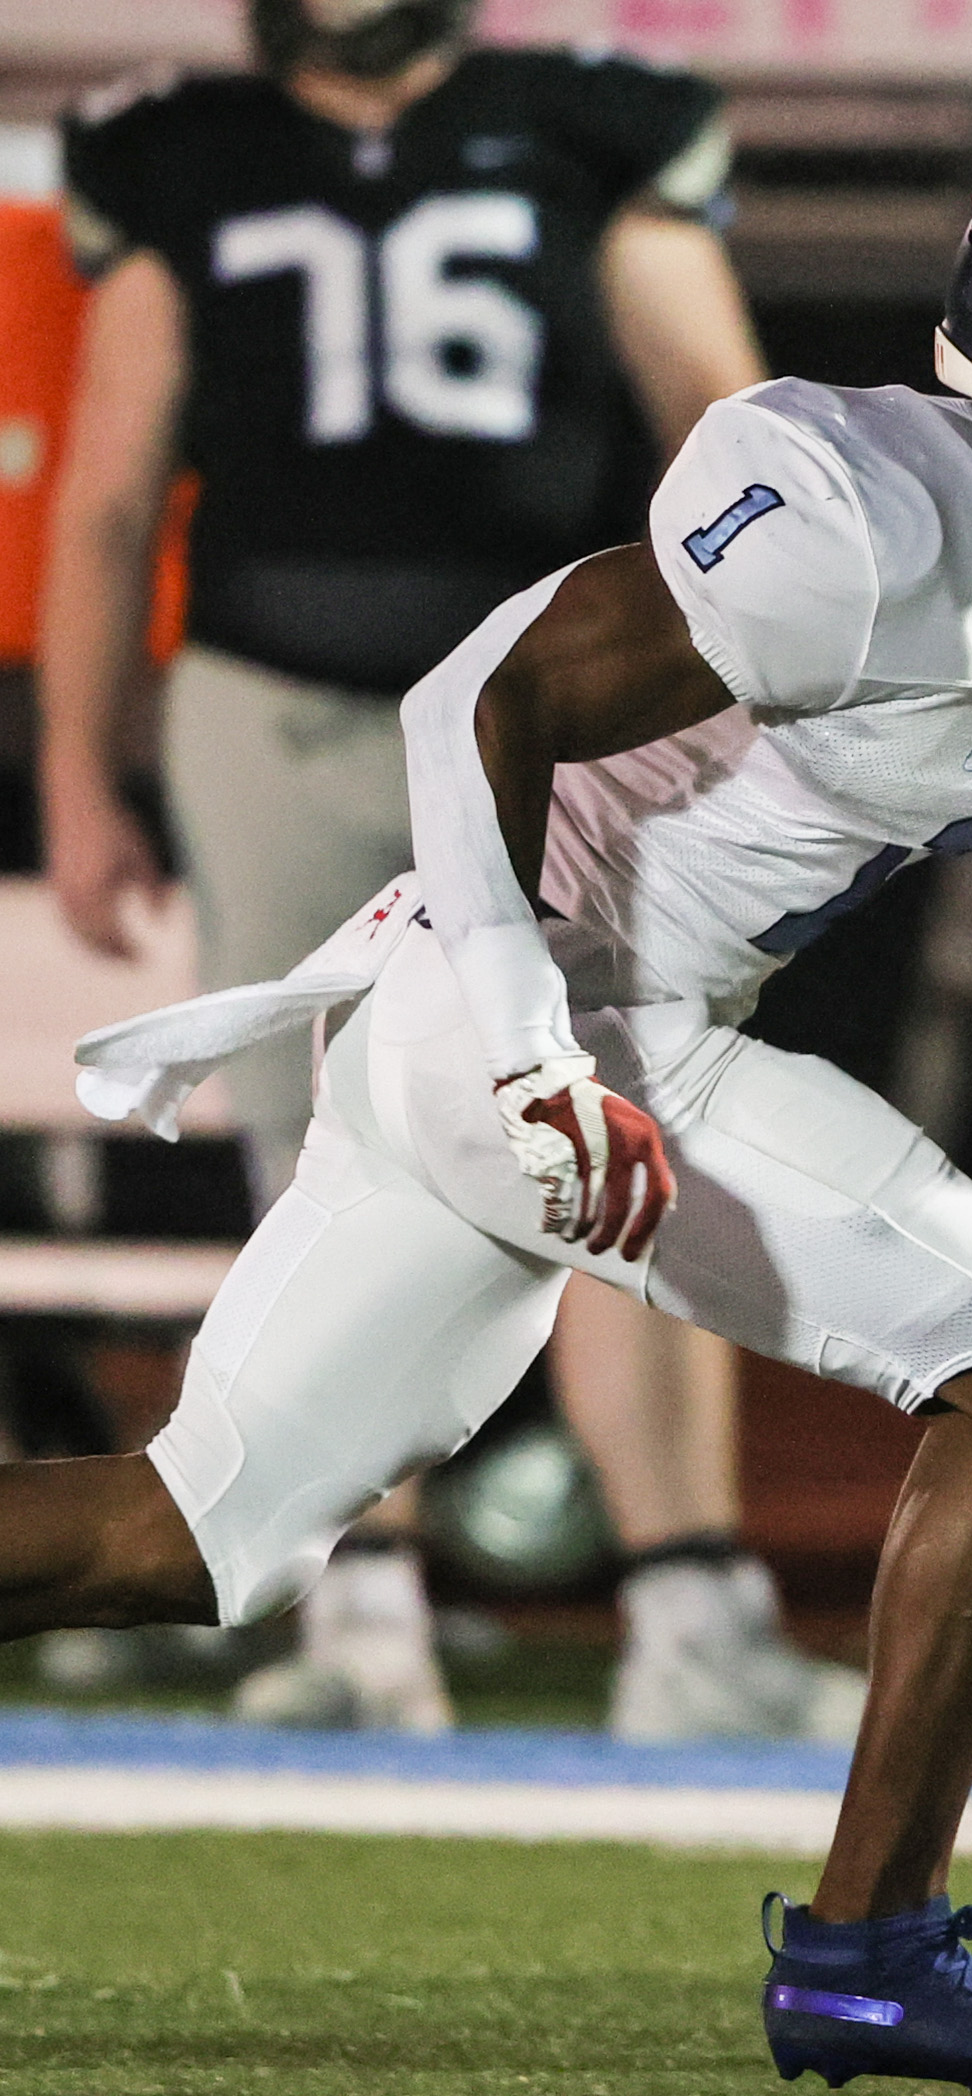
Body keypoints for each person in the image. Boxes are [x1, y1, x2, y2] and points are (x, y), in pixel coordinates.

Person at [8, 133, 972, 2096]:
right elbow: (476, 703)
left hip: (502, 1021)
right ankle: (872, 1952)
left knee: (182, 1536)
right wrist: (523, 1036)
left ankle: (876, 1952)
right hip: (527, 1004)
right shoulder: (871, 517)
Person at [36, 0, 851, 1742]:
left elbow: (736, 436)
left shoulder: (582, 126)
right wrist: (78, 773)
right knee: (323, 1154)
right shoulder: (185, 152)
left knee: (636, 1118)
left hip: (550, 710)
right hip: (276, 705)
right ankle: (365, 1607)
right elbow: (109, 489)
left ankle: (688, 1599)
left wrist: (757, 688)